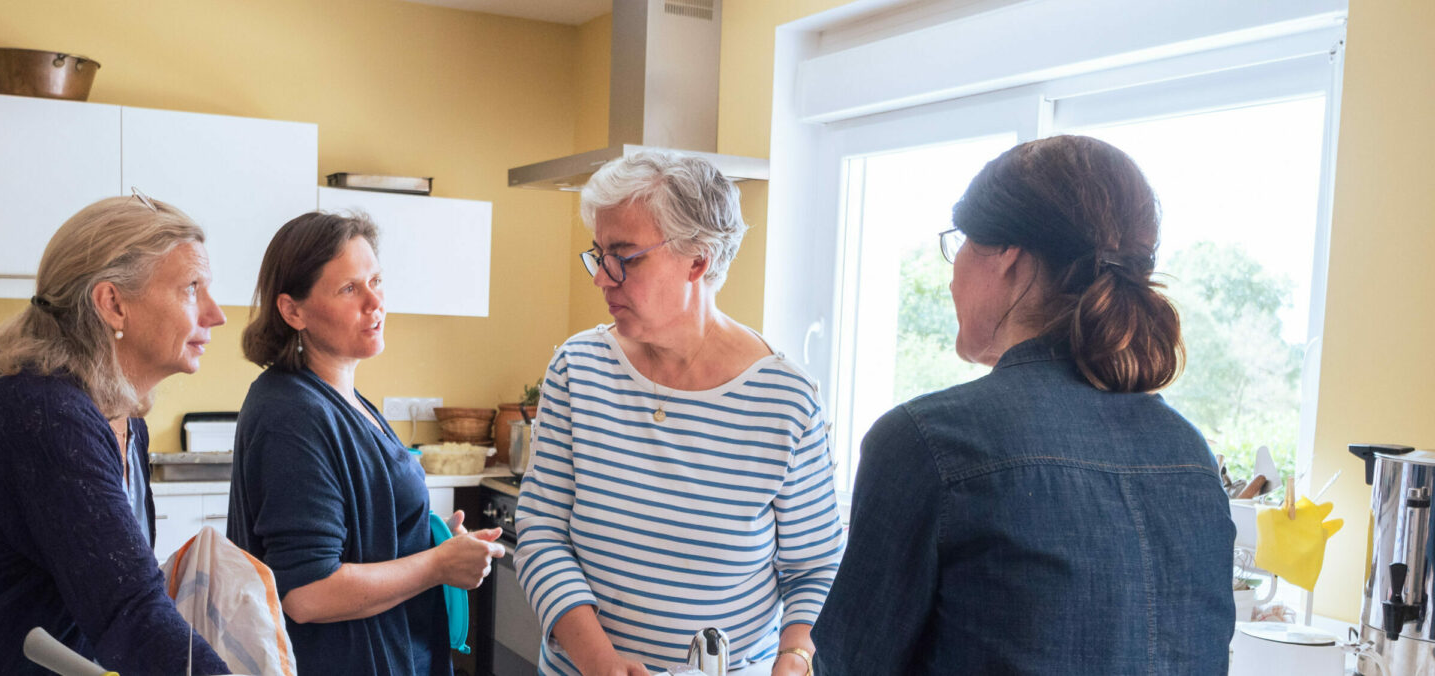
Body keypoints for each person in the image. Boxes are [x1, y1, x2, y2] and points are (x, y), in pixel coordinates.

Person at [812, 135, 1236, 674]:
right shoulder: (1190, 453)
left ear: (1007, 255)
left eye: (961, 243)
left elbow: (848, 667)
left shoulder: (929, 442)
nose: (951, 276)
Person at [516, 150, 846, 676]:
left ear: (698, 261)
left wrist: (794, 656)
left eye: (625, 257)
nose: (601, 278)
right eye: (599, 254)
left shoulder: (787, 399)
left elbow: (815, 567)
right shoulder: (578, 369)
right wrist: (600, 663)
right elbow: (540, 533)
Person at [0, 194, 231, 674]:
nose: (216, 313)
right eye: (192, 289)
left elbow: (115, 601)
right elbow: (132, 613)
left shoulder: (123, 419)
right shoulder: (45, 417)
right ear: (113, 303)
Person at [227, 211, 505, 676]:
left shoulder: (344, 399)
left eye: (376, 281)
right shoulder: (292, 415)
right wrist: (437, 565)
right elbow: (308, 593)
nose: (375, 302)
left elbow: (365, 531)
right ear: (293, 311)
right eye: (349, 289)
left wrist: (433, 541)